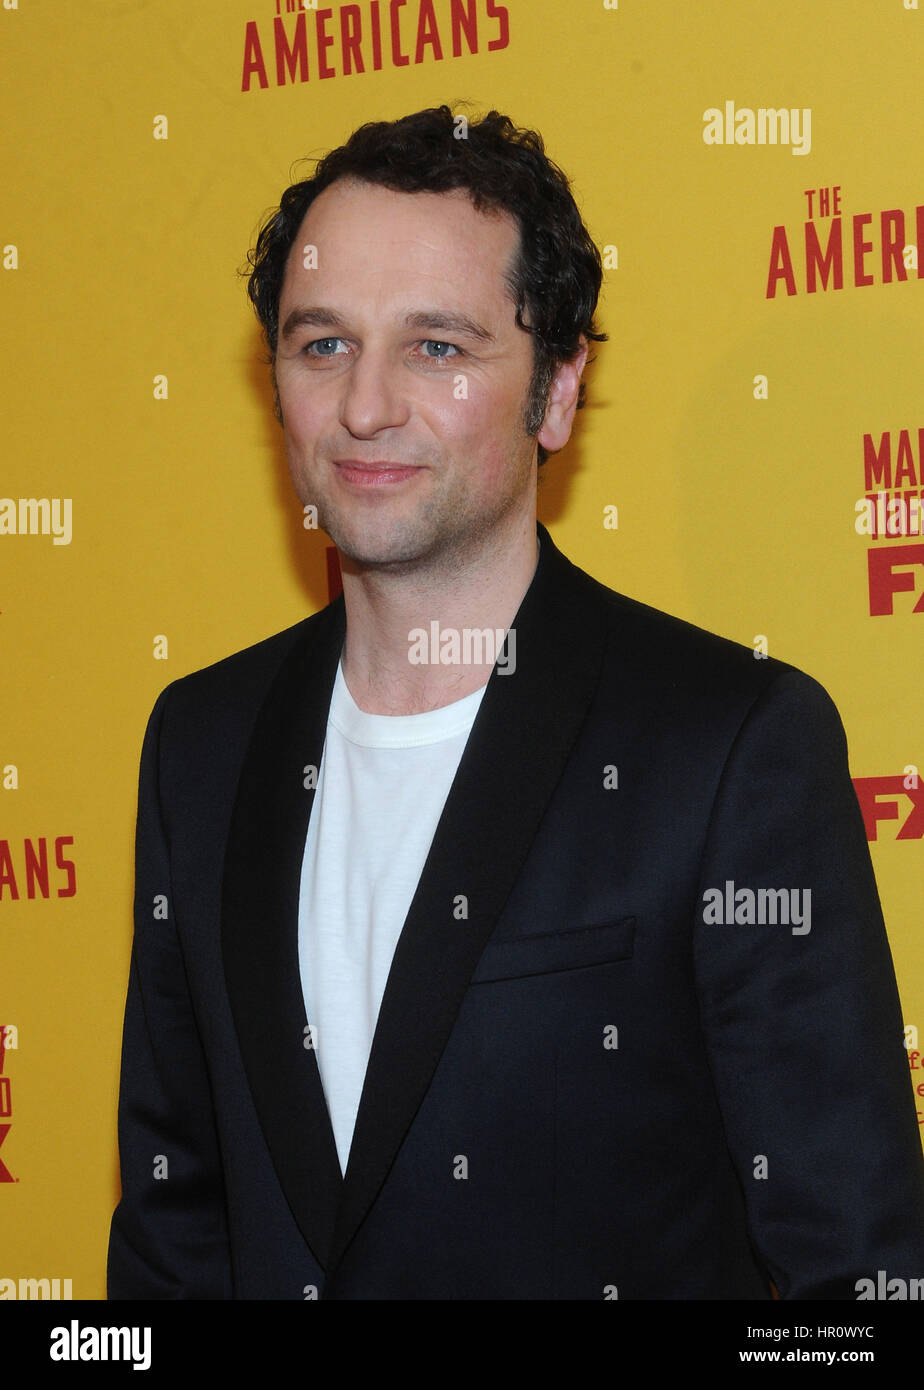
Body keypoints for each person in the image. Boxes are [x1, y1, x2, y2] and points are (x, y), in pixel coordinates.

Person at [108, 105, 924, 1300]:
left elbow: (854, 1272)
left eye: (437, 347)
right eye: (322, 343)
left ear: (554, 393)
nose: (367, 406)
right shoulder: (202, 743)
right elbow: (175, 1232)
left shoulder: (728, 745)